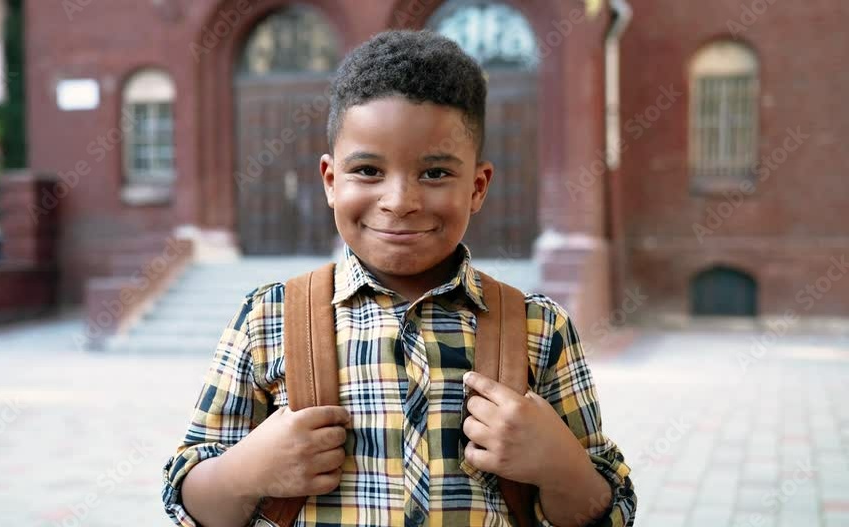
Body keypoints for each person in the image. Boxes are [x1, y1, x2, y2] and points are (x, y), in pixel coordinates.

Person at [162, 29, 637, 527]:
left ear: (477, 187)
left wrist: (560, 467)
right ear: (330, 181)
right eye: (367, 170)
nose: (399, 201)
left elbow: (604, 513)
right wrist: (244, 473)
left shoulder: (541, 329)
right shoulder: (269, 319)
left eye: (434, 174)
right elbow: (191, 503)